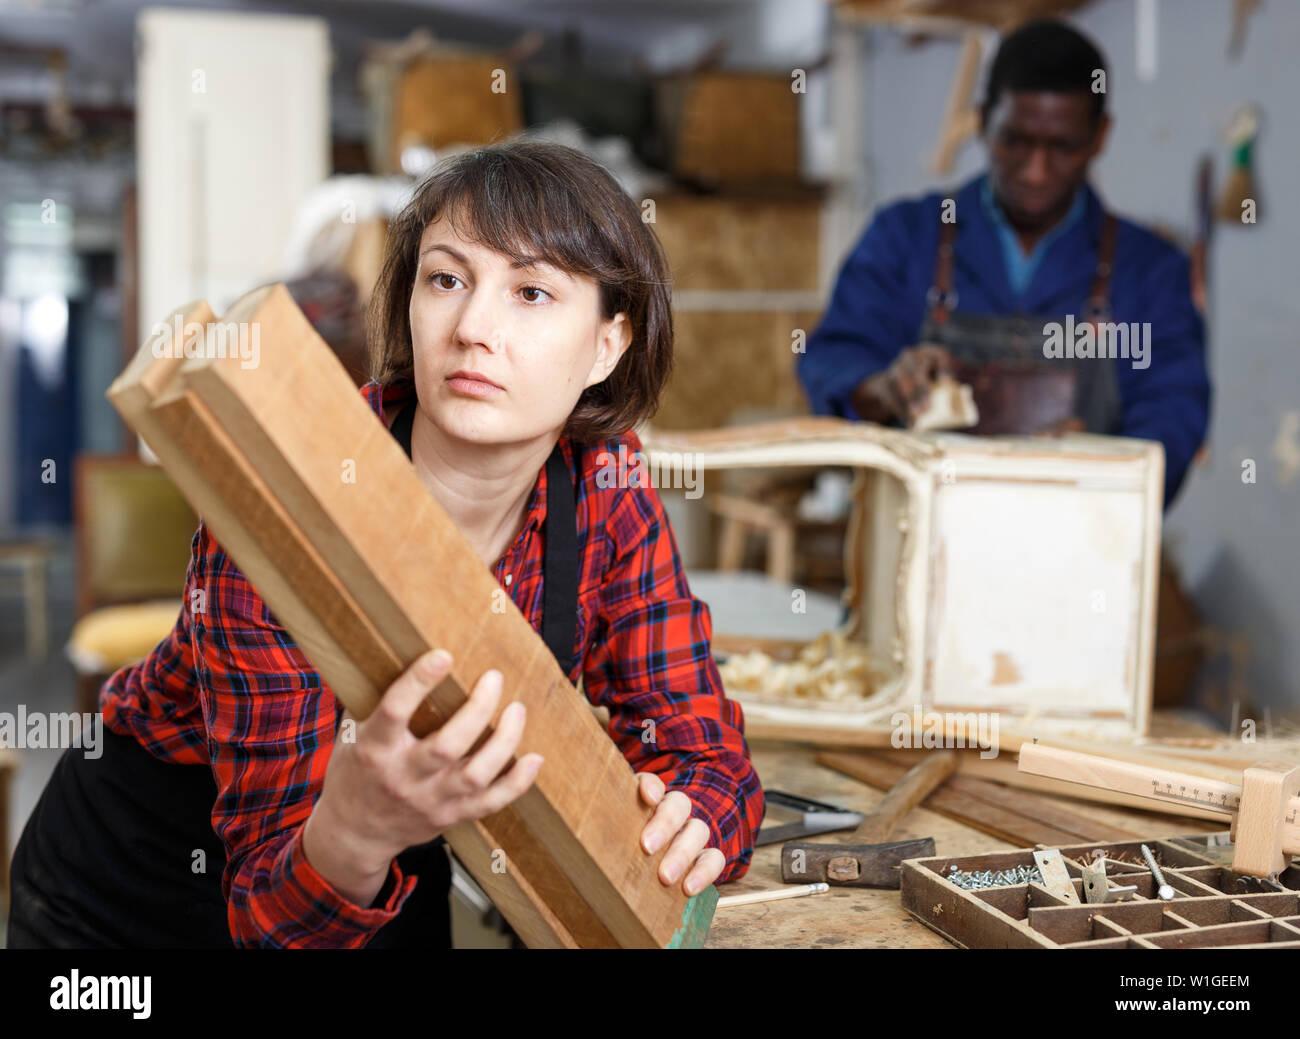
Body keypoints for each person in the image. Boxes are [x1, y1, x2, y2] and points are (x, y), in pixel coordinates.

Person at [8, 140, 763, 949]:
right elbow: (268, 921)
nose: (474, 328)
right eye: (447, 279)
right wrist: (359, 829)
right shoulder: (288, 499)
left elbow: (703, 749)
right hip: (144, 882)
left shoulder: (606, 485)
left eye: (532, 292)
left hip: (394, 852)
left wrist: (699, 817)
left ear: (608, 345)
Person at [797, 19, 1210, 507]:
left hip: (1083, 547)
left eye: (1062, 147)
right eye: (1015, 140)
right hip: (921, 538)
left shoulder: (1149, 271)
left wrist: (1103, 466)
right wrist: (880, 388)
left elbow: (1174, 412)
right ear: (982, 121)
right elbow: (831, 360)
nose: (1035, 170)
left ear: (1100, 136)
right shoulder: (906, 237)